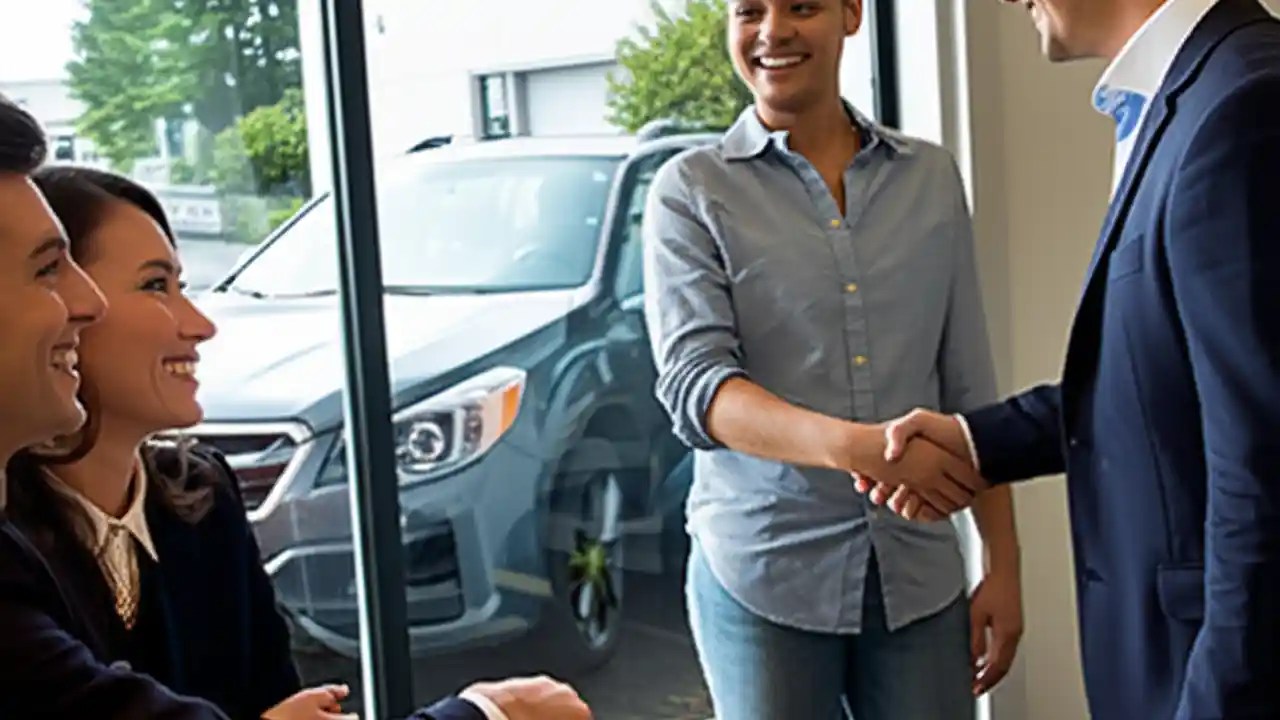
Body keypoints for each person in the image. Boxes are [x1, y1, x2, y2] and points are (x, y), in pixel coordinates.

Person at [0, 98, 589, 720]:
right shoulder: (13, 550)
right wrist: (488, 714)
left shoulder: (200, 491)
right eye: (154, 286)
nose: (200, 325)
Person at [856, 0, 1280, 718]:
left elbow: (1263, 467)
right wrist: (977, 441)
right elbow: (1162, 383)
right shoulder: (1191, 94)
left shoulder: (1243, 105)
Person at [641, 1, 1022, 718]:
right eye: (748, 10)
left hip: (919, 574)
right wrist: (863, 450)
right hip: (762, 577)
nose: (772, 31)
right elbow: (699, 389)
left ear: (851, 14)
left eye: (803, 7)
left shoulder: (931, 178)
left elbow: (970, 386)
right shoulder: (690, 192)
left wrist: (1002, 562)